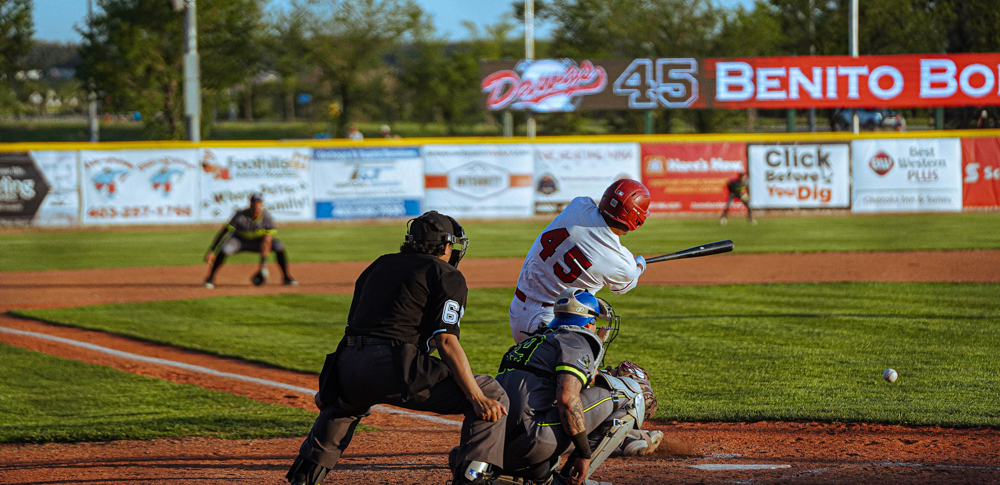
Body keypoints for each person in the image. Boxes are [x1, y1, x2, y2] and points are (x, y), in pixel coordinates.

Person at [285, 211, 509, 485]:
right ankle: (473, 478)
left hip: (349, 364)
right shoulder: (446, 273)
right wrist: (476, 397)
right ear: (447, 245)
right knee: (490, 392)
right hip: (395, 367)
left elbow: (354, 326)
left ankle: (305, 475)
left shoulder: (379, 265)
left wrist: (332, 387)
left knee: (344, 406)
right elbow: (446, 340)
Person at [494, 288, 661, 485]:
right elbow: (567, 398)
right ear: (589, 322)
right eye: (596, 320)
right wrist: (584, 453)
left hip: (495, 447)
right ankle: (572, 479)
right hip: (532, 441)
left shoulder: (534, 341)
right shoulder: (576, 341)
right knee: (630, 393)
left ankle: (538, 476)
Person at [509, 178, 650, 345]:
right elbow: (623, 286)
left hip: (518, 307)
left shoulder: (579, 205)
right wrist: (639, 266)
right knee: (569, 370)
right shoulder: (621, 263)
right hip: (555, 320)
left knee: (529, 368)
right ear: (637, 220)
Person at [203, 193, 296, 288]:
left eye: (259, 204)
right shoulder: (240, 216)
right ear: (250, 205)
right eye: (254, 204)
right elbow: (224, 232)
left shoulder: (267, 218)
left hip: (258, 243)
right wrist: (212, 251)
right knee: (225, 249)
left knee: (279, 246)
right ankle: (210, 278)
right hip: (240, 241)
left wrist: (263, 265)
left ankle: (286, 277)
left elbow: (267, 241)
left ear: (262, 205)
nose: (257, 207)